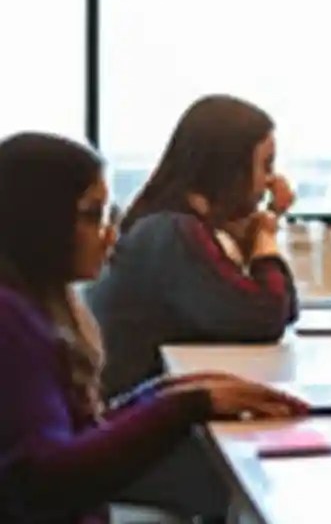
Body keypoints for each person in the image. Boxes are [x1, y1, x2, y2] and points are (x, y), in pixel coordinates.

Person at [0, 132, 306, 523]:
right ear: (39, 221)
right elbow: (46, 480)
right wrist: (185, 406)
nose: (109, 234)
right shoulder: (9, 318)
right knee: (225, 486)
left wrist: (172, 393)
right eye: (93, 215)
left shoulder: (31, 304)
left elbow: (75, 434)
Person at [84, 94, 299, 518]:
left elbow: (280, 308)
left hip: (129, 427)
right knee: (256, 475)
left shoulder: (179, 225)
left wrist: (257, 234)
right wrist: (265, 238)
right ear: (232, 168)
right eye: (266, 166)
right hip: (122, 443)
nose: (273, 182)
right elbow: (265, 316)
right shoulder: (172, 233)